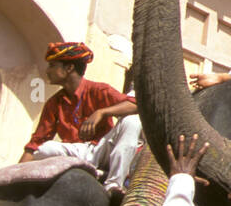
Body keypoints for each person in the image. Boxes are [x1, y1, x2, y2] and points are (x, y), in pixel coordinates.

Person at [20, 41, 142, 193]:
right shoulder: (54, 103)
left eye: (52, 65)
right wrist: (17, 173)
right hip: (80, 154)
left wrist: (102, 112)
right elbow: (37, 142)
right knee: (45, 149)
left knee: (132, 121)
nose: (47, 71)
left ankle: (113, 184)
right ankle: (90, 170)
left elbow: (136, 105)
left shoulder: (99, 90)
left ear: (69, 68)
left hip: (103, 149)